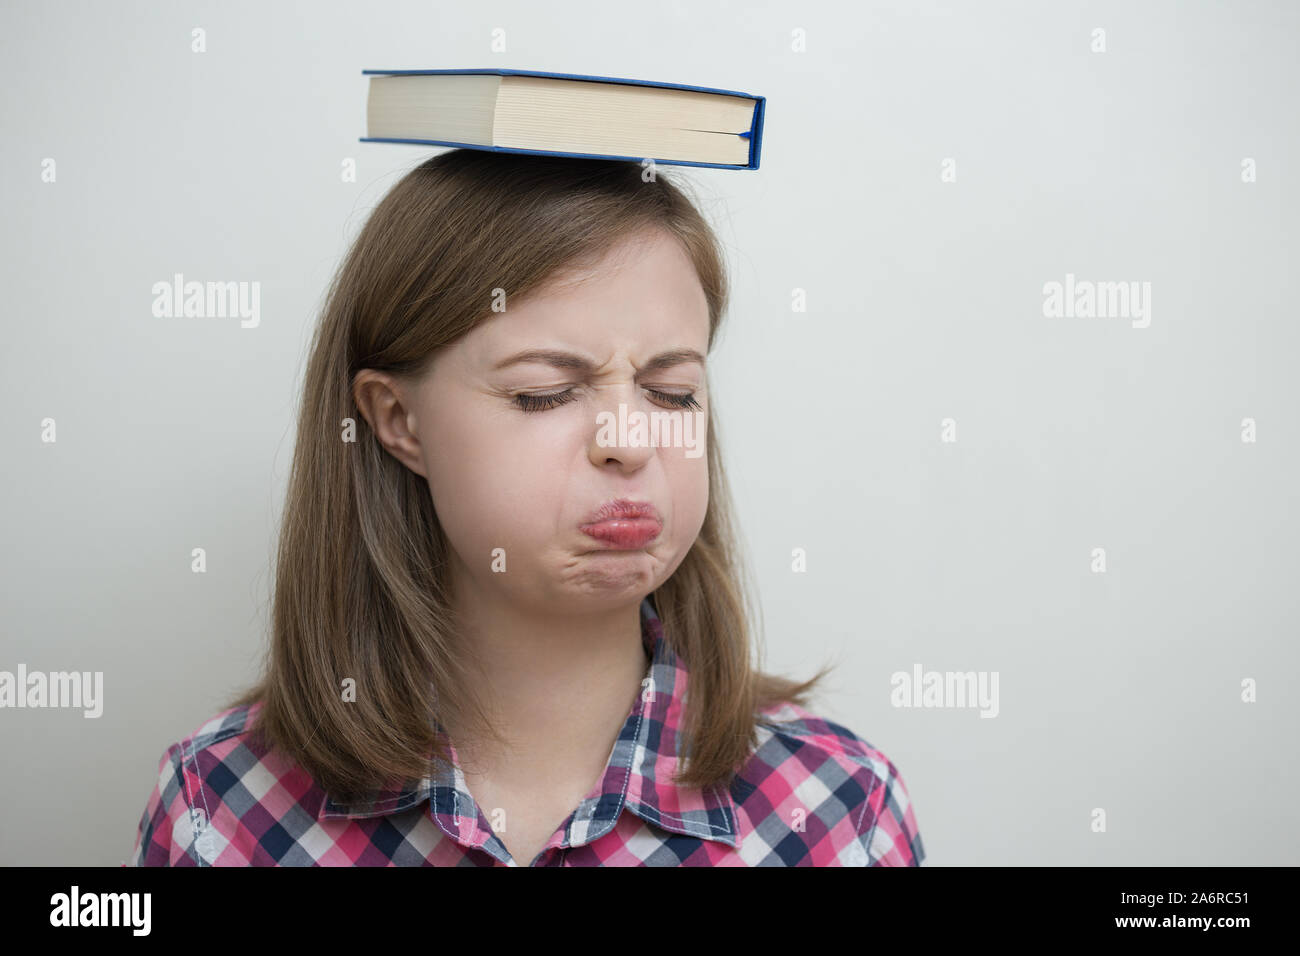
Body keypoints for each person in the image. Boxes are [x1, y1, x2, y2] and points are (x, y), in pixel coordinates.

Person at [127, 149, 925, 866]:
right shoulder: (220, 807)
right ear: (397, 420)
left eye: (671, 391)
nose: (627, 441)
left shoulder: (839, 813)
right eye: (544, 394)